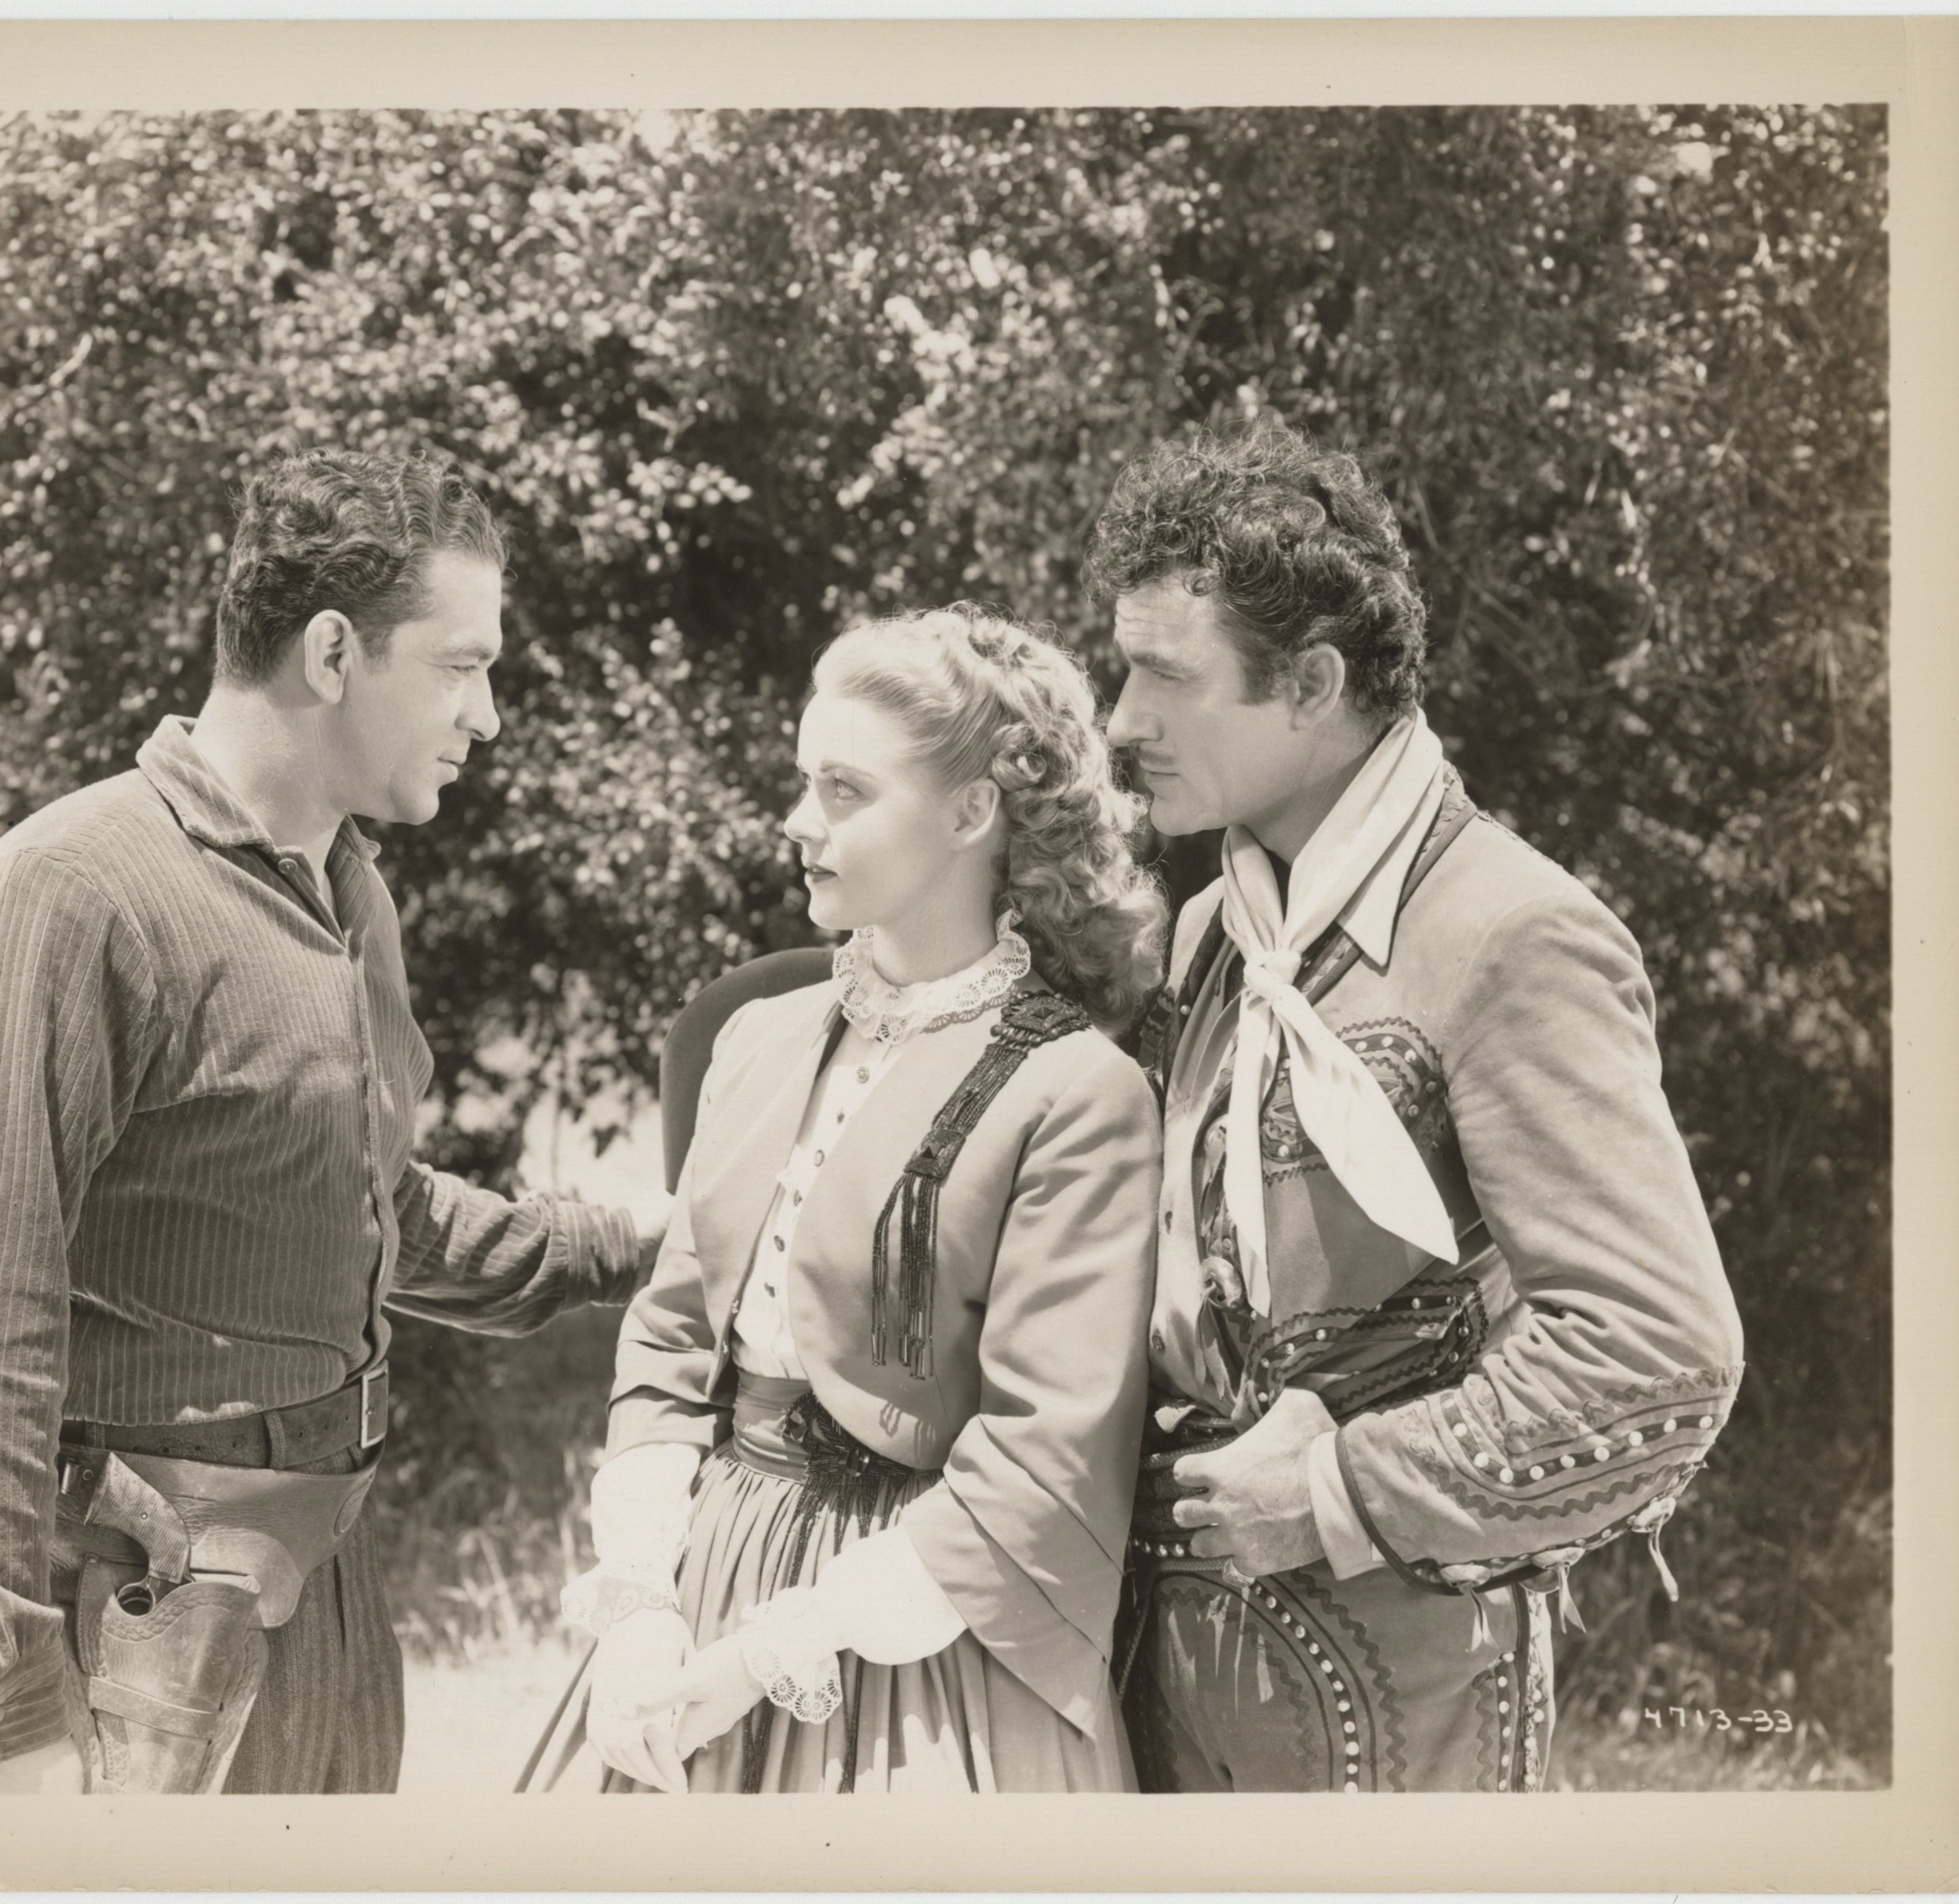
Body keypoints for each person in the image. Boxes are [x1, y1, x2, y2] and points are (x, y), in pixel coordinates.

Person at [0, 449, 659, 1795]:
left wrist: (628, 1244)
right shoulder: (70, 891)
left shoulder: (346, 886)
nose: (490, 715)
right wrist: (15, 1715)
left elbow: (362, 1209)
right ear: (336, 650)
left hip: (322, 1592)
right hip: (129, 1617)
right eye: (461, 665)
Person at [1094, 415, 1745, 1792]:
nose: (1121, 720)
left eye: (1163, 674)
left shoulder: (1513, 932)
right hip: (1172, 1703)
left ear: (1313, 680)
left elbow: (1659, 1352)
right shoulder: (1219, 927)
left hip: (1411, 1715)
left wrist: (1339, 1489)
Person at [519, 607, 1166, 1793]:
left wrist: (766, 1656)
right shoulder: (757, 1038)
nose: (798, 821)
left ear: (972, 813)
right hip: (699, 1579)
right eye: (802, 781)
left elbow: (1044, 1457)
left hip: (910, 1633)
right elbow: (668, 1344)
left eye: (843, 789)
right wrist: (638, 1612)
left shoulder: (1074, 1088)